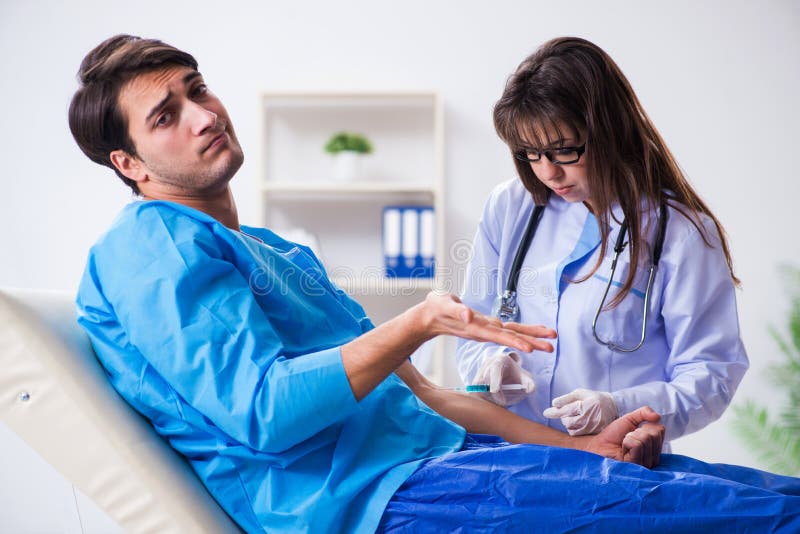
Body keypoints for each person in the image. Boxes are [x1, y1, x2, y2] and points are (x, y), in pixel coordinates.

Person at [69, 35, 798, 533]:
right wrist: (418, 325)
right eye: (166, 117)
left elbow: (427, 400)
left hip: (446, 458)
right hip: (369, 500)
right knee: (745, 518)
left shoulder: (271, 251)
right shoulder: (148, 245)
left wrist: (588, 450)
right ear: (129, 163)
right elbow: (264, 413)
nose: (204, 115)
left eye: (197, 90)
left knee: (751, 494)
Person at [456, 37, 749, 447]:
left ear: (609, 130)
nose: (548, 173)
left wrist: (620, 405)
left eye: (563, 151)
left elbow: (712, 373)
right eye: (530, 154)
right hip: (510, 459)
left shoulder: (680, 233)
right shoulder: (510, 207)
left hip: (614, 464)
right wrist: (489, 364)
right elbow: (472, 324)